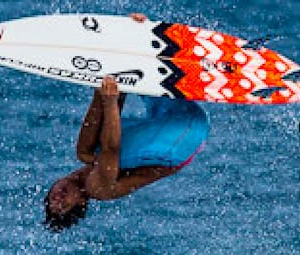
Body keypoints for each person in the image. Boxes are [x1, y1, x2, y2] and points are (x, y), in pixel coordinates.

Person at [43, 15, 209, 231]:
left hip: (177, 132)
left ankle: (131, 53)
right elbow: (112, 147)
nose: (59, 197)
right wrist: (111, 99)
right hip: (181, 136)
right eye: (64, 205)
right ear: (82, 203)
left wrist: (110, 83)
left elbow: (105, 120)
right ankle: (143, 47)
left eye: (52, 201)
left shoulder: (88, 159)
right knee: (94, 147)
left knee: (85, 150)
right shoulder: (98, 188)